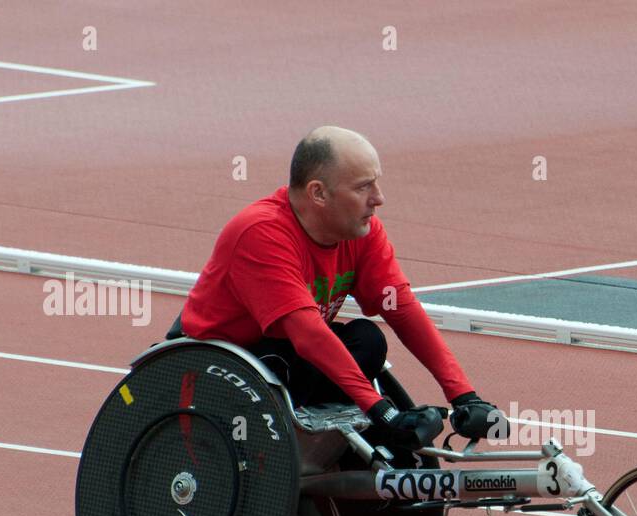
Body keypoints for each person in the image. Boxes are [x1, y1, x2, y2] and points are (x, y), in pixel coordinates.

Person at [177, 125, 504, 449]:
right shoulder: (261, 233)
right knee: (287, 358)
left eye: (376, 183)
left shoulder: (361, 232)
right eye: (363, 187)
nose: (379, 199)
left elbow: (400, 308)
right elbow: (308, 335)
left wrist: (463, 395)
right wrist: (382, 412)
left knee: (368, 340)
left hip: (296, 360)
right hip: (222, 370)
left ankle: (340, 444)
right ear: (318, 193)